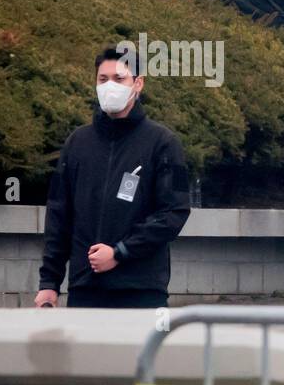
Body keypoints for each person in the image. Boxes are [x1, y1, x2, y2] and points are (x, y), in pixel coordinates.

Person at [34, 47, 191, 309]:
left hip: (142, 290)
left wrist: (120, 252)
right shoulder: (77, 143)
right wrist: (49, 283)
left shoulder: (163, 143)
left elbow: (174, 212)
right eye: (103, 79)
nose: (110, 86)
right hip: (85, 288)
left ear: (137, 84)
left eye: (119, 79)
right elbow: (59, 215)